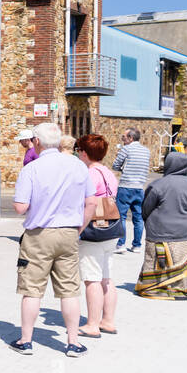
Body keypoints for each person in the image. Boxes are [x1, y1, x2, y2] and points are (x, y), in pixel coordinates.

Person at [9, 122, 98, 358]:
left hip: (39, 234)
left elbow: (20, 207)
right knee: (69, 290)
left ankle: (26, 340)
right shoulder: (78, 167)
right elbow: (91, 202)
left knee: (32, 290)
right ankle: (72, 343)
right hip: (69, 232)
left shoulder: (32, 169)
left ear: (36, 141)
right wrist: (79, 228)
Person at [135, 152, 187, 300]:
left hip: (158, 231)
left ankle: (152, 288)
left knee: (155, 260)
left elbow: (146, 208)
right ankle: (180, 289)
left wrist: (148, 221)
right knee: (179, 260)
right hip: (182, 232)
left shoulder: (158, 185)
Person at [75, 134, 120, 338]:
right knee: (106, 277)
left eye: (78, 151)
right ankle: (108, 320)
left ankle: (92, 324)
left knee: (91, 278)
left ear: (84, 153)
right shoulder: (108, 173)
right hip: (111, 227)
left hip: (94, 230)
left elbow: (88, 202)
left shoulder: (89, 174)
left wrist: (79, 228)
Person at [110, 127, 151, 255]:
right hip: (139, 187)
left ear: (130, 138)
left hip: (126, 186)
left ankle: (121, 244)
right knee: (138, 217)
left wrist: (124, 169)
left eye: (124, 137)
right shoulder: (146, 151)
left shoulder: (126, 149)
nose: (123, 139)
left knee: (121, 216)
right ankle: (137, 245)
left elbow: (115, 165)